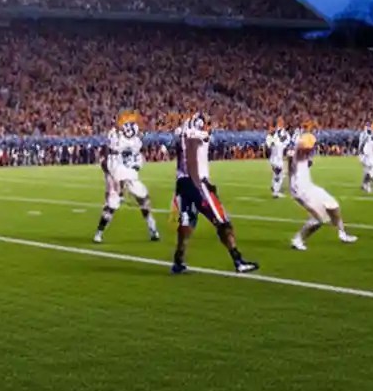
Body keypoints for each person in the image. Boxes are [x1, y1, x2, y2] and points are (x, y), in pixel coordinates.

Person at [171, 112, 260, 274]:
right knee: (223, 222)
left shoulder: (179, 132)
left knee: (187, 223)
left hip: (182, 183)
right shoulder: (199, 134)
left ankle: (178, 260)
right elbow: (197, 143)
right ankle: (238, 261)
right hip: (198, 183)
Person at [94, 111, 160, 243]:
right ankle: (99, 232)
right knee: (113, 203)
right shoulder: (122, 141)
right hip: (116, 173)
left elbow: (133, 164)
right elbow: (109, 163)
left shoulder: (128, 141)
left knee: (142, 199)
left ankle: (152, 229)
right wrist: (116, 183)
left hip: (126, 173)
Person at [288, 132, 358, 250]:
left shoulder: (304, 155)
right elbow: (295, 155)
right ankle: (298, 239)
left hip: (309, 187)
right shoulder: (296, 154)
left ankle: (342, 234)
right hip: (300, 191)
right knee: (319, 219)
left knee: (333, 205)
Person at [265, 119, 290, 198]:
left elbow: (285, 141)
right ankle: (275, 193)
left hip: (276, 158)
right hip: (276, 159)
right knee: (278, 175)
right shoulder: (271, 136)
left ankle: (274, 187)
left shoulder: (280, 133)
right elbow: (270, 145)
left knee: (279, 174)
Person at [358, 121, 373, 193]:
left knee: (367, 170)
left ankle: (366, 186)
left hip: (363, 154)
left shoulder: (364, 134)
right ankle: (369, 180)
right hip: (369, 154)